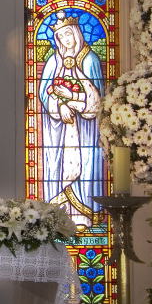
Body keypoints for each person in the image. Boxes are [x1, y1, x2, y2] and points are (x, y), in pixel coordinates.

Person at [37, 16, 104, 229]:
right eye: (60, 36)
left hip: (85, 127)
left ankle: (83, 213)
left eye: (68, 34)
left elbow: (98, 101)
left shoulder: (90, 60)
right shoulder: (54, 61)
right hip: (58, 129)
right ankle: (57, 214)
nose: (65, 39)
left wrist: (73, 102)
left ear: (76, 32)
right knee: (60, 166)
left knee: (82, 166)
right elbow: (44, 95)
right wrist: (61, 106)